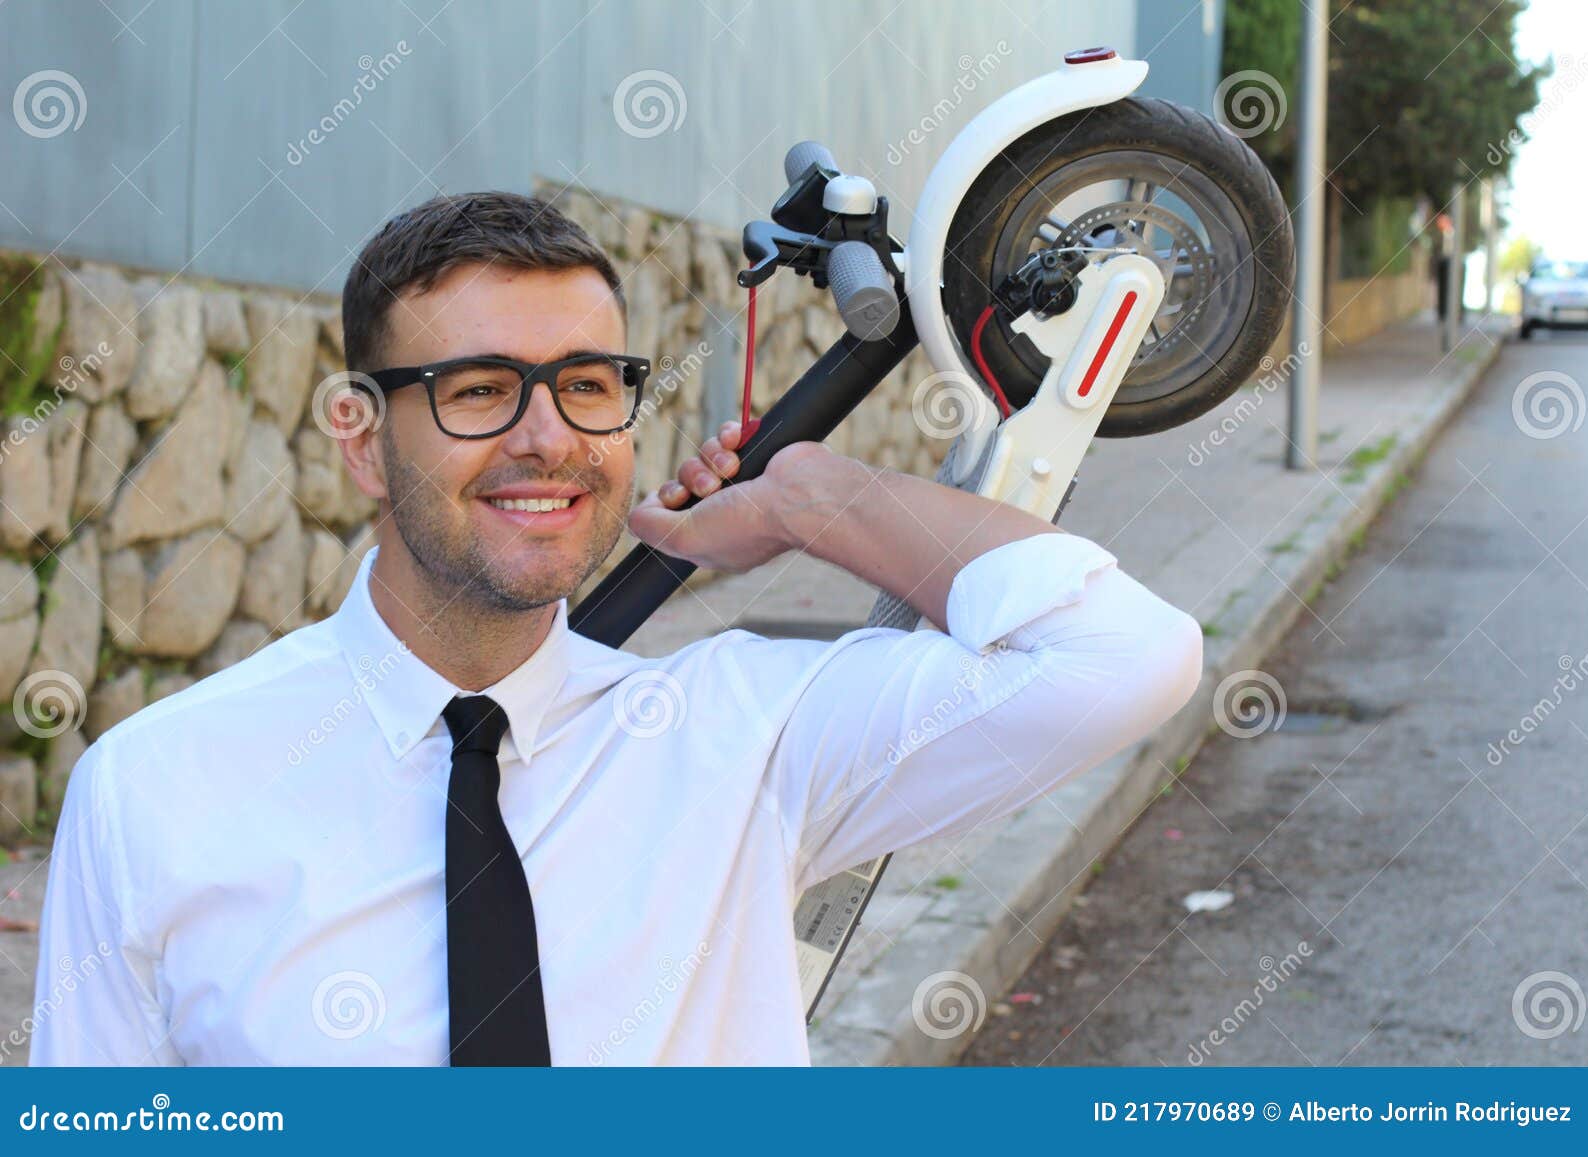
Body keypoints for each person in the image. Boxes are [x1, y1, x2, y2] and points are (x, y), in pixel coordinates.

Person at [31, 192, 1202, 1066]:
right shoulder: (160, 788)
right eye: (480, 388)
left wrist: (813, 500)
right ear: (357, 436)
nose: (548, 437)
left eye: (588, 384)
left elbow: (1123, 656)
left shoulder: (744, 739)